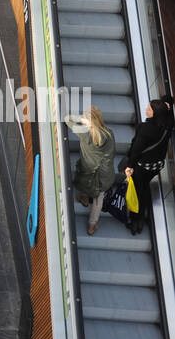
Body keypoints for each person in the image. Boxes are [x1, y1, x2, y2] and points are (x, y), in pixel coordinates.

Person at [123, 99, 174, 235]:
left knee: (138, 190)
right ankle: (140, 216)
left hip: (142, 167)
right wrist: (166, 103)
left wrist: (129, 166)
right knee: (144, 186)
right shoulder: (168, 125)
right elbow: (169, 101)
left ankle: (136, 220)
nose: (146, 110)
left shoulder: (145, 128)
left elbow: (136, 150)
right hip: (156, 166)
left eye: (149, 109)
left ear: (155, 113)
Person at [66, 106, 116, 236]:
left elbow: (67, 119)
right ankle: (92, 225)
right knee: (98, 200)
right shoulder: (109, 134)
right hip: (105, 174)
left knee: (84, 181)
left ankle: (83, 197)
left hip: (88, 169)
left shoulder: (85, 134)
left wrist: (80, 119)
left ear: (90, 122)